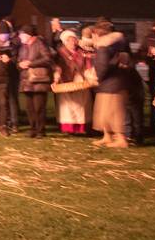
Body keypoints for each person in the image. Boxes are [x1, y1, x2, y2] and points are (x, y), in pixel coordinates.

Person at [91, 19, 130, 148]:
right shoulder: (117, 45)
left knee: (113, 113)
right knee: (104, 112)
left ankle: (121, 139)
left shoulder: (104, 47)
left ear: (97, 34)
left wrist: (96, 77)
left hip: (111, 84)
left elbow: (103, 66)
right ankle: (107, 136)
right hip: (111, 83)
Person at [53, 30, 95, 135]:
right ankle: (69, 128)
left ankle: (81, 127)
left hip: (80, 80)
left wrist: (89, 76)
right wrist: (56, 77)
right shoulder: (60, 53)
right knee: (67, 106)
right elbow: (57, 67)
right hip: (66, 81)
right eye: (70, 41)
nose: (73, 43)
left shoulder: (82, 52)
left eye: (74, 40)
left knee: (82, 105)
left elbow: (87, 65)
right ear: (65, 42)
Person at [17, 24, 53, 138]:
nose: (20, 37)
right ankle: (33, 128)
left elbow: (47, 58)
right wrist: (19, 64)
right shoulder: (23, 47)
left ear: (28, 35)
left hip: (39, 81)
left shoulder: (40, 44)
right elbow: (19, 60)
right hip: (26, 80)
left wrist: (31, 64)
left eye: (22, 34)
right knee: (30, 107)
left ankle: (41, 130)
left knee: (39, 107)